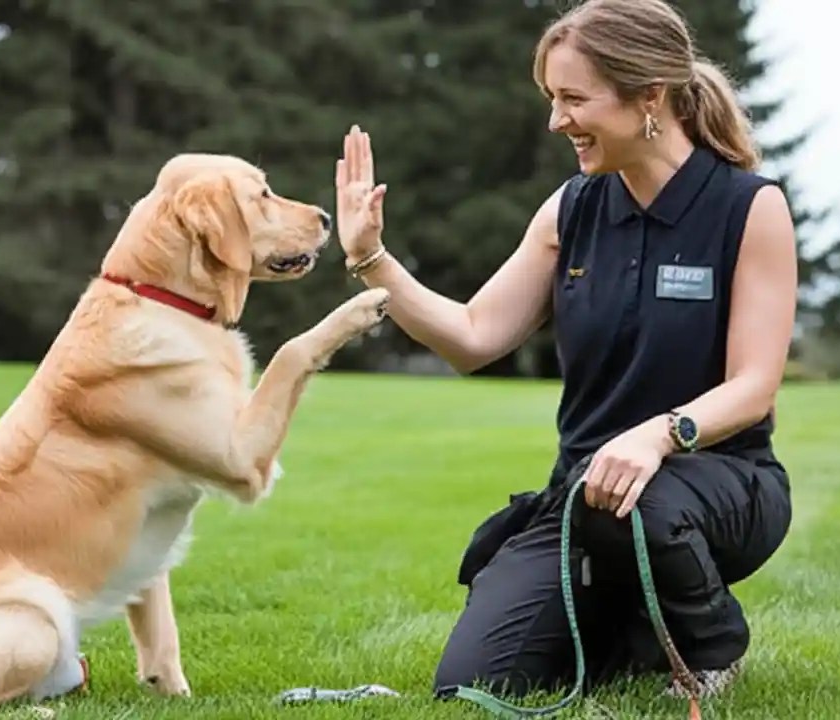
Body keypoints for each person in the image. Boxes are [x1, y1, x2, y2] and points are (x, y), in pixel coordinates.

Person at [332, 0, 796, 704]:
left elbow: (754, 386)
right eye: (553, 99)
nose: (557, 122)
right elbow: (473, 336)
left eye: (574, 99)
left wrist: (656, 437)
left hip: (720, 483)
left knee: (632, 507)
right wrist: (373, 260)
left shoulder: (748, 207)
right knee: (470, 684)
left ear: (649, 96)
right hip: (584, 496)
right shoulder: (571, 208)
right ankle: (636, 628)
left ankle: (712, 649)